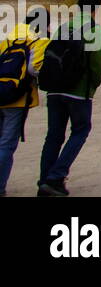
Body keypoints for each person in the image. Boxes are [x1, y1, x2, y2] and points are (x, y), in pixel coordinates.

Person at [37, 0, 101, 197]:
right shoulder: (94, 30)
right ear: (96, 10)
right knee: (81, 130)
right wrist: (91, 85)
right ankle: (56, 177)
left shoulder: (64, 27)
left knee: (54, 135)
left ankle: (44, 179)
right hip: (78, 90)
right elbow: (99, 64)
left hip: (55, 89)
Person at [0, 10, 48, 197]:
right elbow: (34, 69)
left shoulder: (8, 39)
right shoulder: (38, 41)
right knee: (6, 144)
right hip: (17, 98)